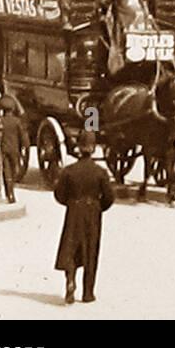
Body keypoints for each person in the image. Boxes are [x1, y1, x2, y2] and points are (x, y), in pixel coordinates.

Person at [54, 129, 115, 304]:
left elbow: (59, 194)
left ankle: (70, 280)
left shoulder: (69, 170)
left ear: (78, 148)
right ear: (94, 148)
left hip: (74, 211)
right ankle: (88, 293)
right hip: (92, 212)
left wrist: (71, 203)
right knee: (91, 250)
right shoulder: (100, 172)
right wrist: (98, 207)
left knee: (71, 247)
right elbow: (109, 197)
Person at [0, 88, 29, 204]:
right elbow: (23, 137)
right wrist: (25, 147)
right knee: (14, 170)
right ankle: (11, 191)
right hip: (15, 150)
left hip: (4, 149)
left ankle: (10, 193)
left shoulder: (0, 121)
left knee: (6, 171)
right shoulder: (17, 121)